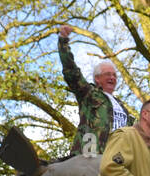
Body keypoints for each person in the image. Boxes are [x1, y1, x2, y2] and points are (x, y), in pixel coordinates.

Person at [58, 24, 136, 157]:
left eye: (114, 75)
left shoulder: (122, 107)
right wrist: (63, 42)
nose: (112, 77)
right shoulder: (89, 94)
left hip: (118, 160)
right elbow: (72, 72)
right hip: (90, 156)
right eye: (108, 74)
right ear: (97, 78)